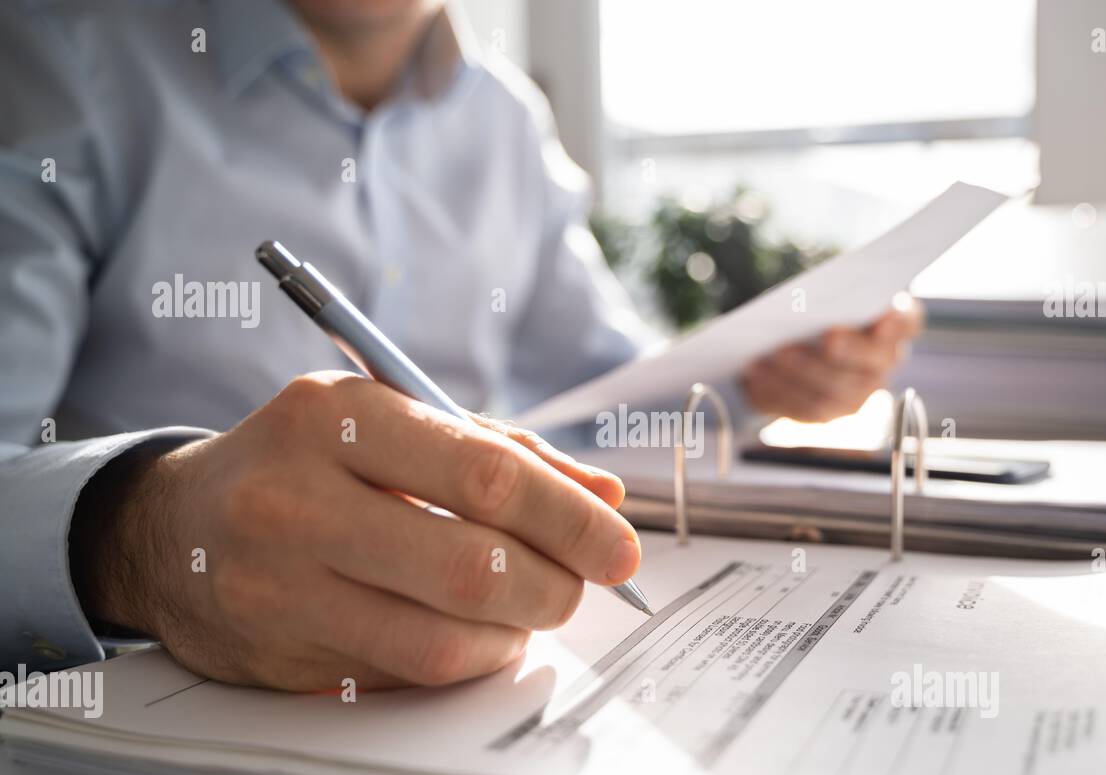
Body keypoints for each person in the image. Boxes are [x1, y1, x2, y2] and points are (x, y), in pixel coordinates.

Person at [0, 0, 922, 689]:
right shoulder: (57, 56)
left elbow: (596, 400)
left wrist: (762, 383)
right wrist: (143, 538)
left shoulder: (506, 119)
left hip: (467, 684)